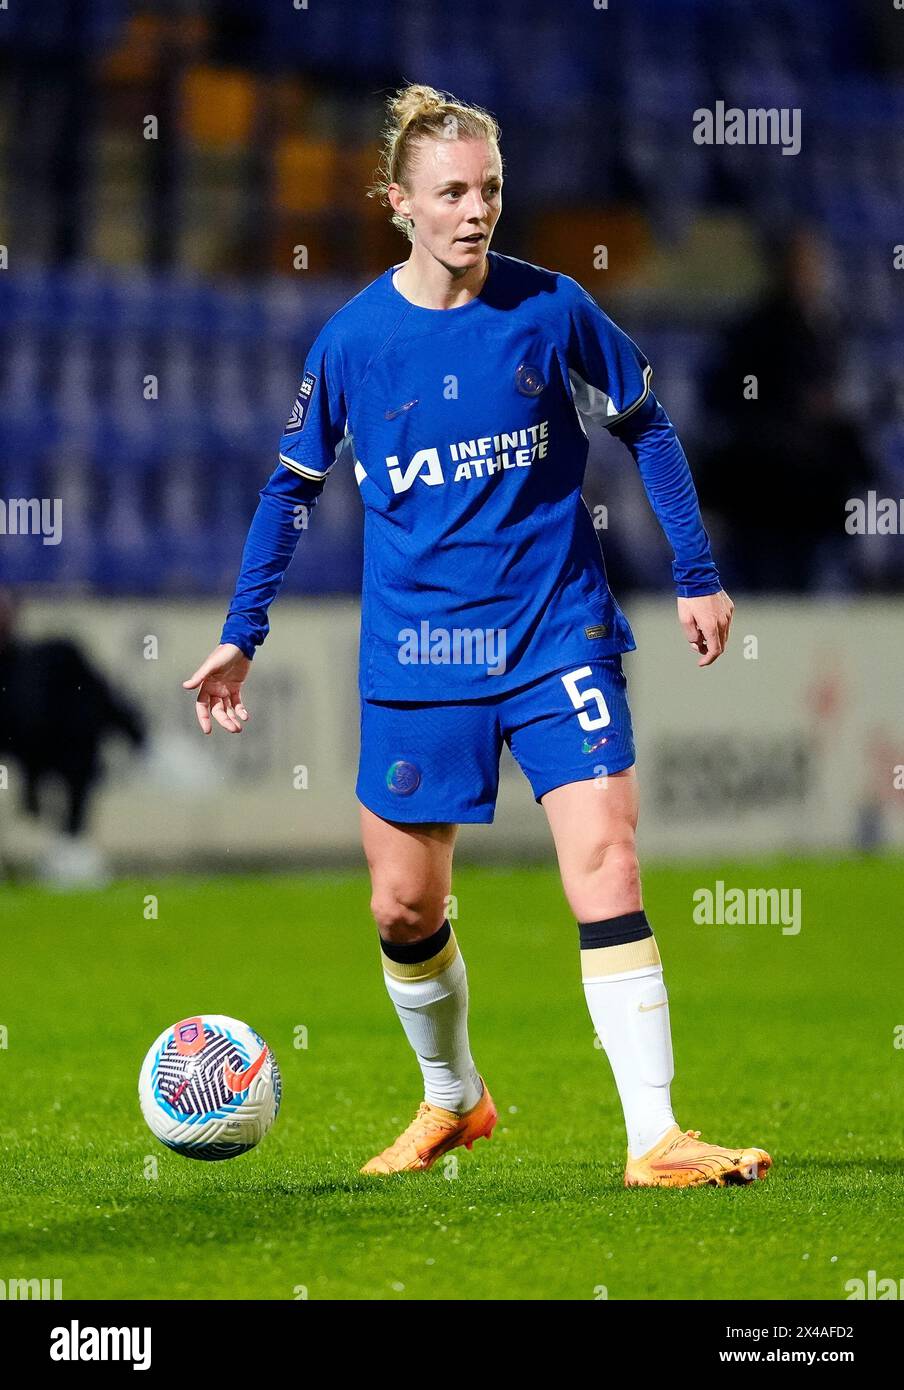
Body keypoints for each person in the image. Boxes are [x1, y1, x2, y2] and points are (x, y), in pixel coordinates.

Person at [183, 84, 771, 1189]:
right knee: (404, 903)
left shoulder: (551, 310)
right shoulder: (354, 340)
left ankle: (654, 1134)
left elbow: (647, 422)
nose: (476, 209)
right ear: (399, 203)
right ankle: (453, 1098)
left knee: (606, 857)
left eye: (490, 187)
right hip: (420, 656)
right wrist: (239, 632)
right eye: (451, 190)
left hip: (558, 634)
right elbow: (289, 487)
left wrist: (696, 573)